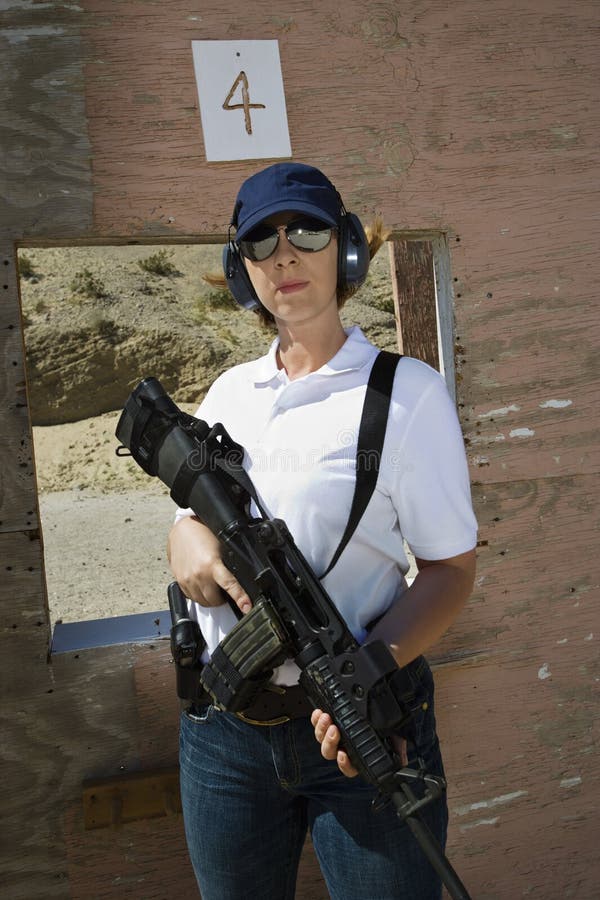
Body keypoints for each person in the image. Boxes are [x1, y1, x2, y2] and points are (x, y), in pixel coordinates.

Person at [167, 162, 477, 900]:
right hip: (224, 735)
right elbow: (187, 516)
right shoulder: (230, 393)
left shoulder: (406, 395)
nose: (284, 254)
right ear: (241, 272)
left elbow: (450, 571)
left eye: (305, 231)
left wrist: (368, 673)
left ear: (343, 250)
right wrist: (187, 544)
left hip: (355, 727)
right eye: (260, 241)